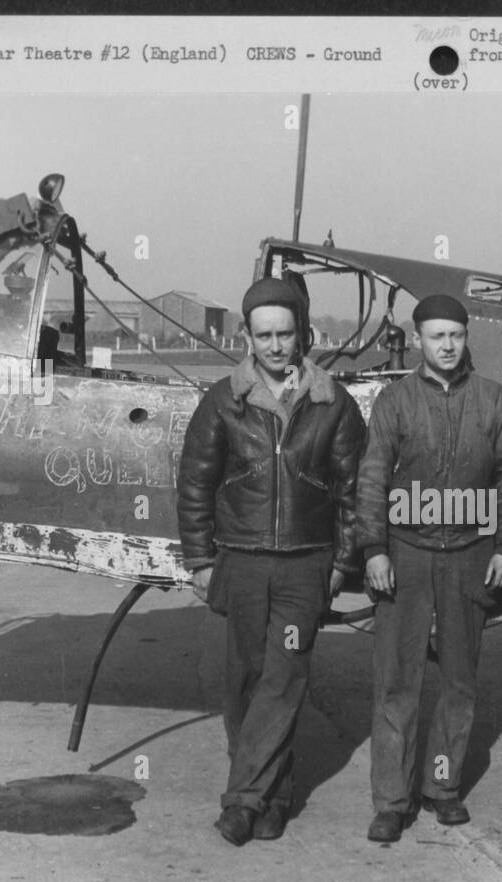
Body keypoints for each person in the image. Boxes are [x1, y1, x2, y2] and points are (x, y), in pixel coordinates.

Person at [177, 277, 366, 846]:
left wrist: (340, 564)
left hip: (305, 566)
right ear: (247, 337)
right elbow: (195, 485)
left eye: (286, 333)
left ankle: (241, 801)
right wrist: (200, 560)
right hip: (241, 562)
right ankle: (273, 795)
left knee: (283, 678)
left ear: (303, 333)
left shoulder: (334, 404)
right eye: (264, 336)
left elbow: (355, 492)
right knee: (244, 682)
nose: (276, 346)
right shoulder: (222, 401)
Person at [355, 294, 502, 843]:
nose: (447, 346)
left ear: (466, 336)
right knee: (396, 681)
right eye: (436, 336)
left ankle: (442, 787)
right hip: (405, 554)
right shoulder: (395, 401)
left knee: (459, 679)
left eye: (455, 335)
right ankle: (391, 799)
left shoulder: (494, 400)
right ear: (419, 338)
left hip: (470, 555)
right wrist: (373, 549)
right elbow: (373, 478)